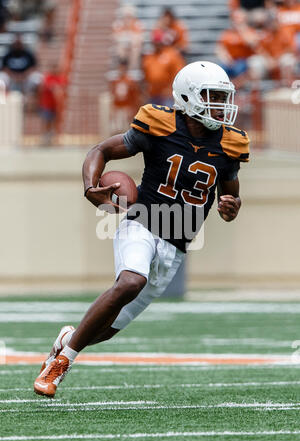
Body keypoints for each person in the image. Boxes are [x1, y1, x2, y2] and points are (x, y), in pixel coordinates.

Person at [33, 61, 250, 398]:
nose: (221, 106)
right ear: (189, 97)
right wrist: (91, 185)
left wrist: (231, 207)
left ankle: (66, 339)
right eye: (213, 97)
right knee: (132, 281)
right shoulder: (159, 124)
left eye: (223, 98)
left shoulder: (230, 143)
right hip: (143, 223)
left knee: (106, 330)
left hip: (176, 244)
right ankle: (62, 362)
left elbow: (230, 200)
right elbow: (101, 150)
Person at [142, 30, 185, 106]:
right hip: (153, 94)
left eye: (159, 42)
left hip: (167, 95)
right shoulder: (149, 57)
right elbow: (146, 76)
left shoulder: (172, 55)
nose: (157, 44)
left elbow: (179, 74)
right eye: (155, 42)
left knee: (167, 116)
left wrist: (171, 89)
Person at [108, 58, 141, 133]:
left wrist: (132, 108)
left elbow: (134, 96)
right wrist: (112, 108)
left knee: (125, 128)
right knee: (116, 128)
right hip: (118, 107)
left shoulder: (130, 81)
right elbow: (113, 95)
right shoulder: (115, 80)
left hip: (127, 107)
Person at [38, 63, 67, 145]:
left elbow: (63, 87)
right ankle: (45, 138)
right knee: (47, 121)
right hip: (47, 105)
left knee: (55, 122)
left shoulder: (60, 78)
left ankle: (54, 139)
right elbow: (47, 86)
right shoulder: (47, 77)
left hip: (56, 105)